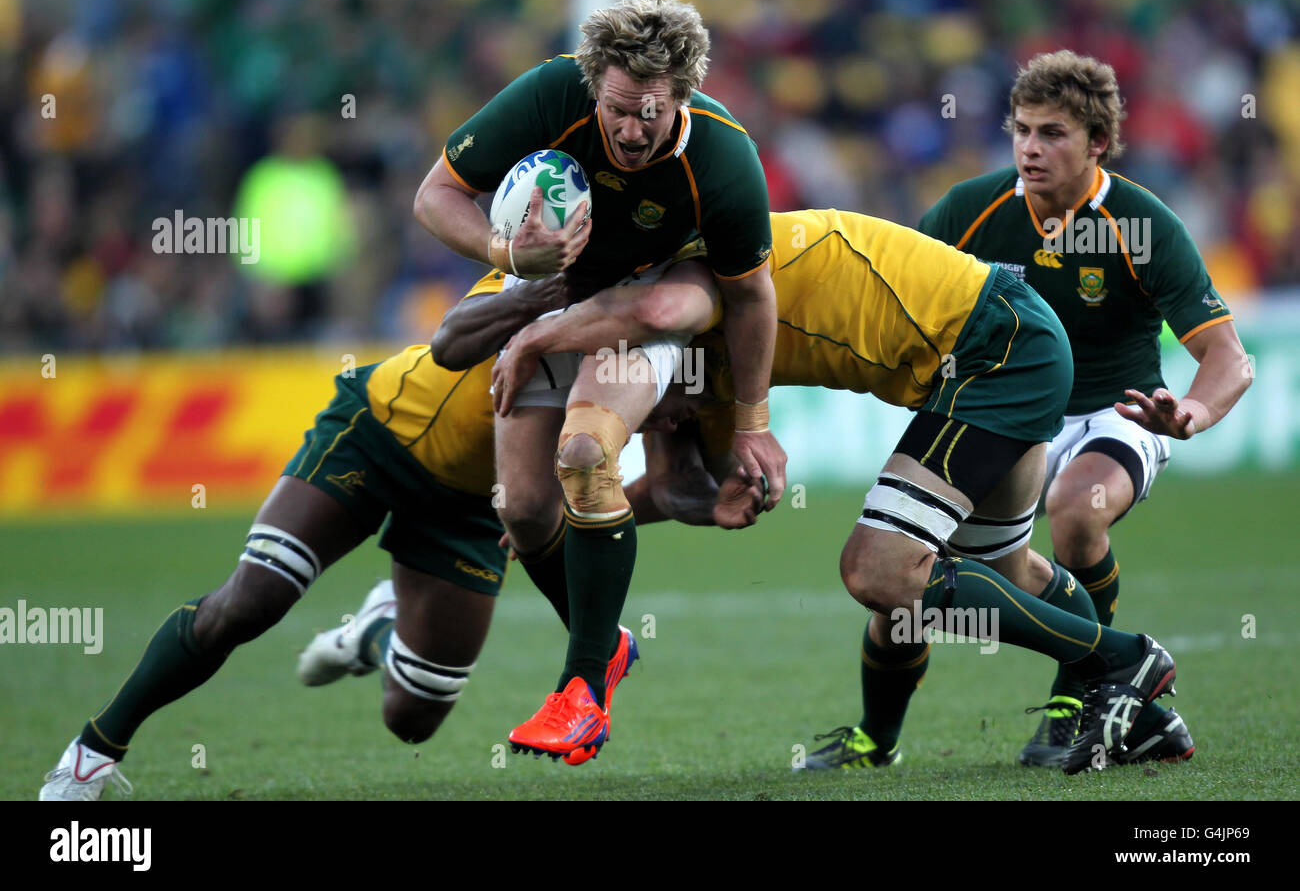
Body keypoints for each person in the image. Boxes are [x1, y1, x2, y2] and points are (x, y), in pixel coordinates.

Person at [460, 208, 1182, 774]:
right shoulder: (694, 364)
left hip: (994, 350)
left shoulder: (692, 289)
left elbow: (652, 317)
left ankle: (1123, 660)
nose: (661, 418)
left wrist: (536, 334)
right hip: (989, 353)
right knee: (1005, 571)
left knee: (880, 571)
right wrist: (589, 519)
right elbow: (689, 490)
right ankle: (1139, 719)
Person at [36, 273, 675, 800]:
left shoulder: (655, 338)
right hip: (380, 433)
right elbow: (451, 338)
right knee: (252, 599)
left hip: (479, 502)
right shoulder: (544, 268)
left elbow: (645, 471)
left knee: (413, 719)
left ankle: (377, 631)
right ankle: (91, 753)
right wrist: (527, 300)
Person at [413, 0, 784, 761]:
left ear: (683, 94)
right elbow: (434, 196)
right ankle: (606, 644)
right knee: (520, 510)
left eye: (651, 112)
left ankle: (581, 689)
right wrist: (506, 255)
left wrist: (753, 423)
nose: (630, 129)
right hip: (544, 289)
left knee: (583, 456)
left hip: (638, 311)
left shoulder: (722, 158)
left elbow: (750, 293)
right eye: (617, 109)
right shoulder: (552, 95)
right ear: (595, 89)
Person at [897, 50, 1250, 768]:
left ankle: (1076, 696)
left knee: (1078, 510)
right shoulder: (972, 210)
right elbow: (896, 298)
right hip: (1007, 416)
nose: (1031, 147)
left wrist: (1189, 415)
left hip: (1116, 413)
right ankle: (874, 740)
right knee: (902, 571)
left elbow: (1229, 358)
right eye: (1022, 130)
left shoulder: (1140, 224)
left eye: (1053, 133)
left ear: (1097, 143)